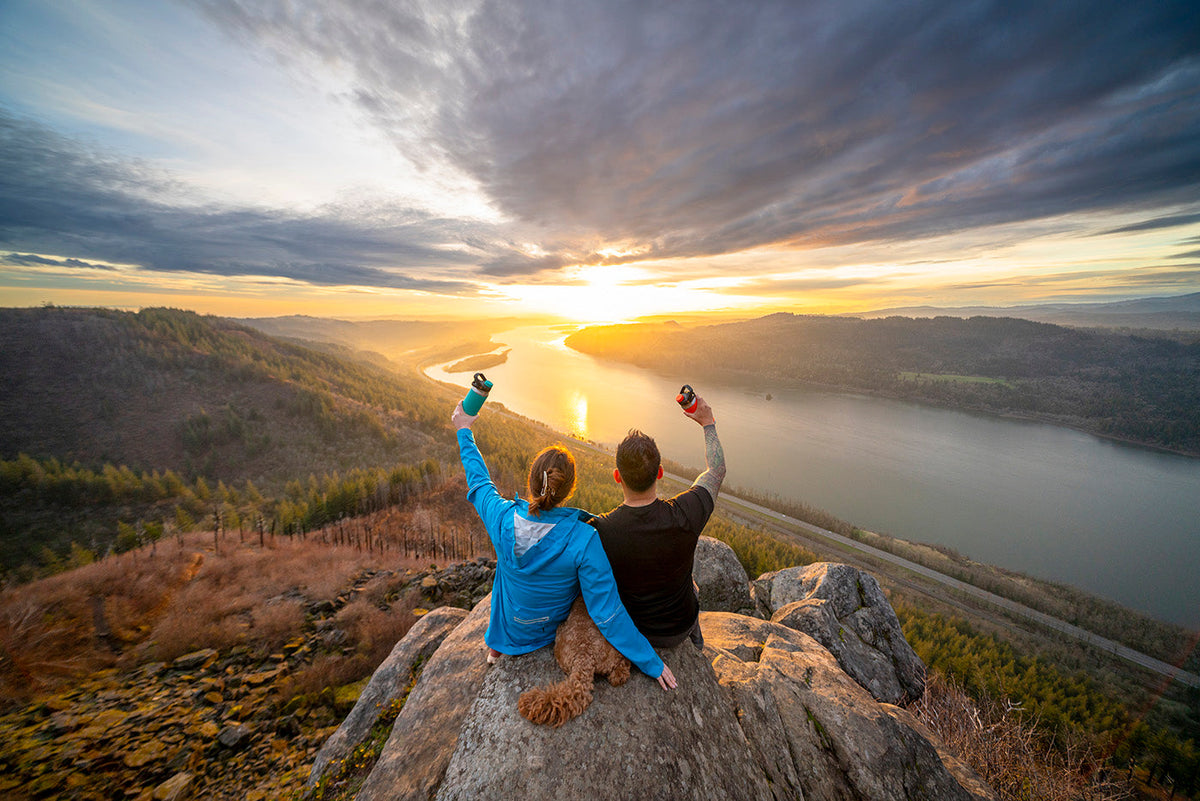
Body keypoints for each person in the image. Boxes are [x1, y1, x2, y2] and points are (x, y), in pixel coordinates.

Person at [452, 401, 677, 691]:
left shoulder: (502, 517)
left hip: (512, 632)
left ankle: (496, 647)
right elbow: (607, 612)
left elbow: (479, 480)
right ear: (570, 489)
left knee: (505, 581)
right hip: (549, 632)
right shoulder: (584, 538)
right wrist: (650, 661)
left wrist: (464, 429)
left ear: (532, 482)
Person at [591, 393, 725, 649]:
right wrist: (707, 422)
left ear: (617, 476)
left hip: (634, 631)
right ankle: (696, 643)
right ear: (660, 473)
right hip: (680, 628)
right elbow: (716, 471)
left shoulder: (601, 530)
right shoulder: (686, 513)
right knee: (691, 585)